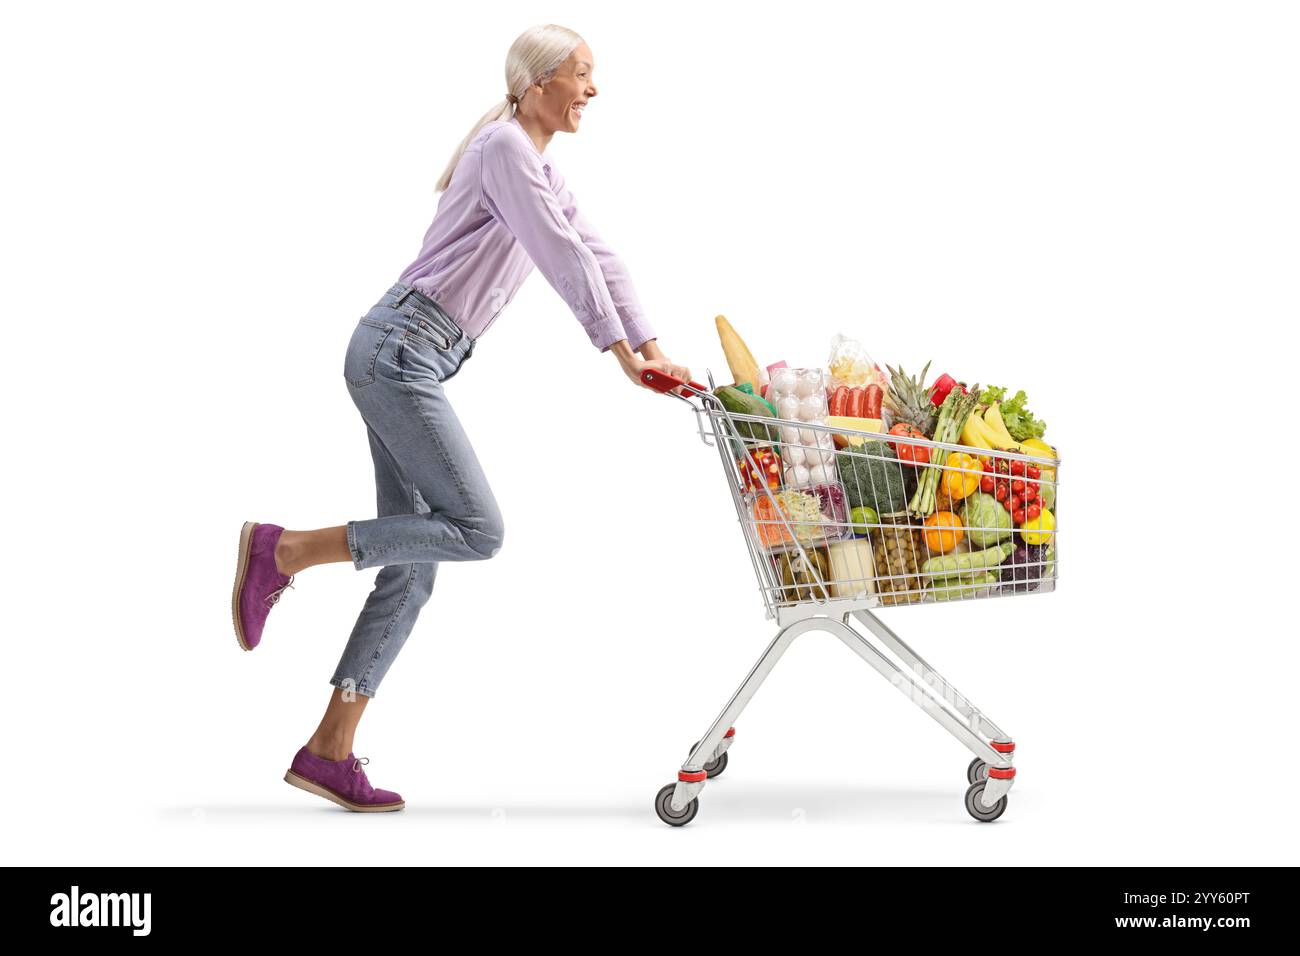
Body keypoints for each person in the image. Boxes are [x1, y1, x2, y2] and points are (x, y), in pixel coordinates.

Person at [229, 24, 691, 812]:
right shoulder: (506, 148)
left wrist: (651, 344)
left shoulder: (534, 163)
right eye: (582, 74)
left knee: (414, 568)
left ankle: (328, 748)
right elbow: (558, 255)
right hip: (400, 351)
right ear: (540, 79)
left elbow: (597, 252)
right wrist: (618, 354)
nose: (593, 89)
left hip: (412, 354)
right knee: (479, 528)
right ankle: (287, 550)